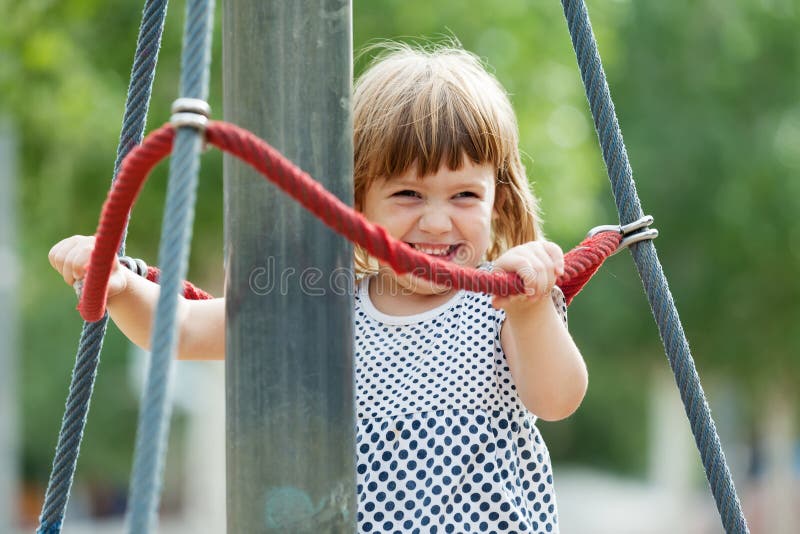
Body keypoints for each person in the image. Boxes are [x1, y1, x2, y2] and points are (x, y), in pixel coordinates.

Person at [49, 43, 587, 533]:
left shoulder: (505, 302)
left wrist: (531, 309)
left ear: (500, 200)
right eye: (407, 194)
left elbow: (557, 398)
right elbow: (185, 329)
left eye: (465, 195)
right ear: (354, 206)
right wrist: (118, 284)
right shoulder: (327, 305)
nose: (438, 223)